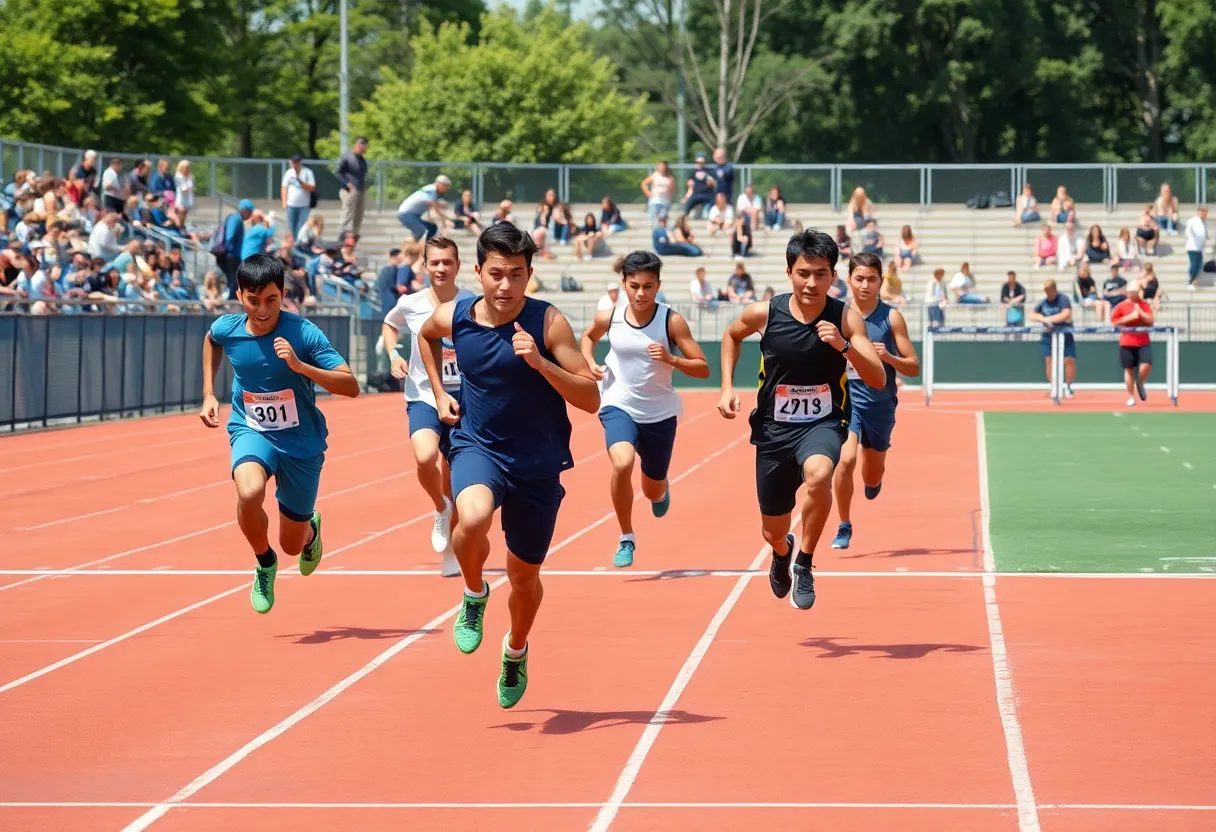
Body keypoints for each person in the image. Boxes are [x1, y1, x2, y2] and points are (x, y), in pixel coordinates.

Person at [417, 223, 600, 708]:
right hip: (478, 446)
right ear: (476, 272)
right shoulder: (455, 315)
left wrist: (542, 364)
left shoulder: (548, 323)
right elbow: (424, 334)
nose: (505, 285)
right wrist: (438, 391)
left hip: (538, 464)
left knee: (523, 578)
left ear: (529, 276)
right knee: (471, 518)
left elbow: (590, 397)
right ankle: (474, 594)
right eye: (495, 274)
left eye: (516, 275)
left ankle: (516, 648)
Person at [718, 229, 885, 610]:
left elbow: (876, 377)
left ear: (833, 276)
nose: (812, 283)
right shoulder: (765, 312)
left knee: (821, 474)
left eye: (821, 274)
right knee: (772, 530)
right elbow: (731, 336)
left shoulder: (845, 317)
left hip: (823, 423)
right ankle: (782, 553)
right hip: (773, 430)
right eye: (804, 273)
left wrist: (843, 346)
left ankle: (805, 562)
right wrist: (726, 387)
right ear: (789, 272)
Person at [199, 254, 360, 614]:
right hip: (251, 428)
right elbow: (212, 340)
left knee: (292, 544)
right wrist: (209, 392)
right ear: (239, 294)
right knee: (249, 490)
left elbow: (350, 385)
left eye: (271, 300)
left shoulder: (302, 333)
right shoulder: (229, 328)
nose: (262, 309)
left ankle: (310, 532)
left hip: (301, 443)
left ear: (283, 294)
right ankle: (263, 562)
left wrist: (301, 366)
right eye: (253, 300)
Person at [579, 251, 710, 568]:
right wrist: (591, 362)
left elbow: (703, 368)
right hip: (617, 403)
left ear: (658, 285)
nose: (641, 293)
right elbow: (587, 337)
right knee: (621, 464)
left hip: (659, 413)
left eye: (648, 286)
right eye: (634, 285)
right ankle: (626, 537)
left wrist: (671, 359)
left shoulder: (671, 321)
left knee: (652, 490)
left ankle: (660, 490)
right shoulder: (610, 316)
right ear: (623, 283)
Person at [381, 236, 475, 577]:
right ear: (424, 266)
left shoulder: (472, 302)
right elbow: (390, 325)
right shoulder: (411, 303)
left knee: (454, 478)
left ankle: (450, 552)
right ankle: (440, 507)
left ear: (458, 266)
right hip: (423, 394)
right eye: (434, 262)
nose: (440, 268)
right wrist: (393, 353)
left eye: (447, 262)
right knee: (424, 458)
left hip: (465, 398)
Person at [828, 252, 920, 550]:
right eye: (859, 279)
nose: (865, 285)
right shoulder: (837, 314)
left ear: (881, 281)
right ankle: (844, 524)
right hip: (845, 399)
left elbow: (913, 367)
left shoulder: (891, 317)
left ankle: (874, 480)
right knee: (845, 460)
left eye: (871, 279)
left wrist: (888, 357)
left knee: (871, 471)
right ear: (848, 280)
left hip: (879, 402)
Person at [1027, 279, 1076, 398]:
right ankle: (1053, 386)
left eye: (1049, 291)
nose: (1047, 294)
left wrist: (1050, 319)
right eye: (1045, 291)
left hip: (1065, 333)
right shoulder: (1043, 302)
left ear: (1054, 289)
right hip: (1048, 336)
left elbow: (1066, 314)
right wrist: (1042, 319)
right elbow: (1031, 314)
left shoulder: (1063, 299)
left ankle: (1068, 386)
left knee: (1068, 360)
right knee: (1048, 360)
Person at [1110, 281, 1154, 406]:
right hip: (1127, 342)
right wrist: (1130, 317)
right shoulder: (1121, 306)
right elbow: (1114, 322)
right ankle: (1131, 396)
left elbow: (1151, 320)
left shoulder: (1143, 305)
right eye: (1132, 292)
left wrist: (1140, 313)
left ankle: (1140, 381)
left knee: (1146, 365)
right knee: (1128, 369)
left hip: (1143, 341)